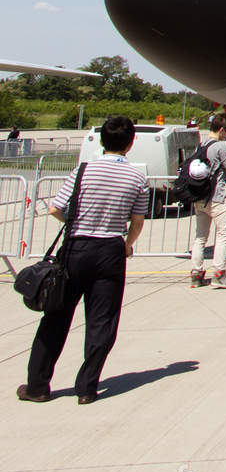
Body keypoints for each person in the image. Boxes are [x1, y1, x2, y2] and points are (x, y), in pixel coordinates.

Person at [17, 115, 147, 404]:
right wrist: (127, 245)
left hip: (77, 247)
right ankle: (87, 387)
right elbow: (137, 221)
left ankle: (38, 385)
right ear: (131, 143)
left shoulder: (83, 171)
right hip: (111, 250)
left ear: (101, 141)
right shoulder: (137, 177)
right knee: (102, 322)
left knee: (56, 317)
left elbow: (54, 208)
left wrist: (73, 222)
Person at [189, 111, 226, 288]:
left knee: (200, 236)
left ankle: (197, 274)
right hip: (216, 196)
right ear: (221, 129)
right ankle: (220, 273)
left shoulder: (201, 144)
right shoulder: (220, 147)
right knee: (224, 234)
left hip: (200, 197)